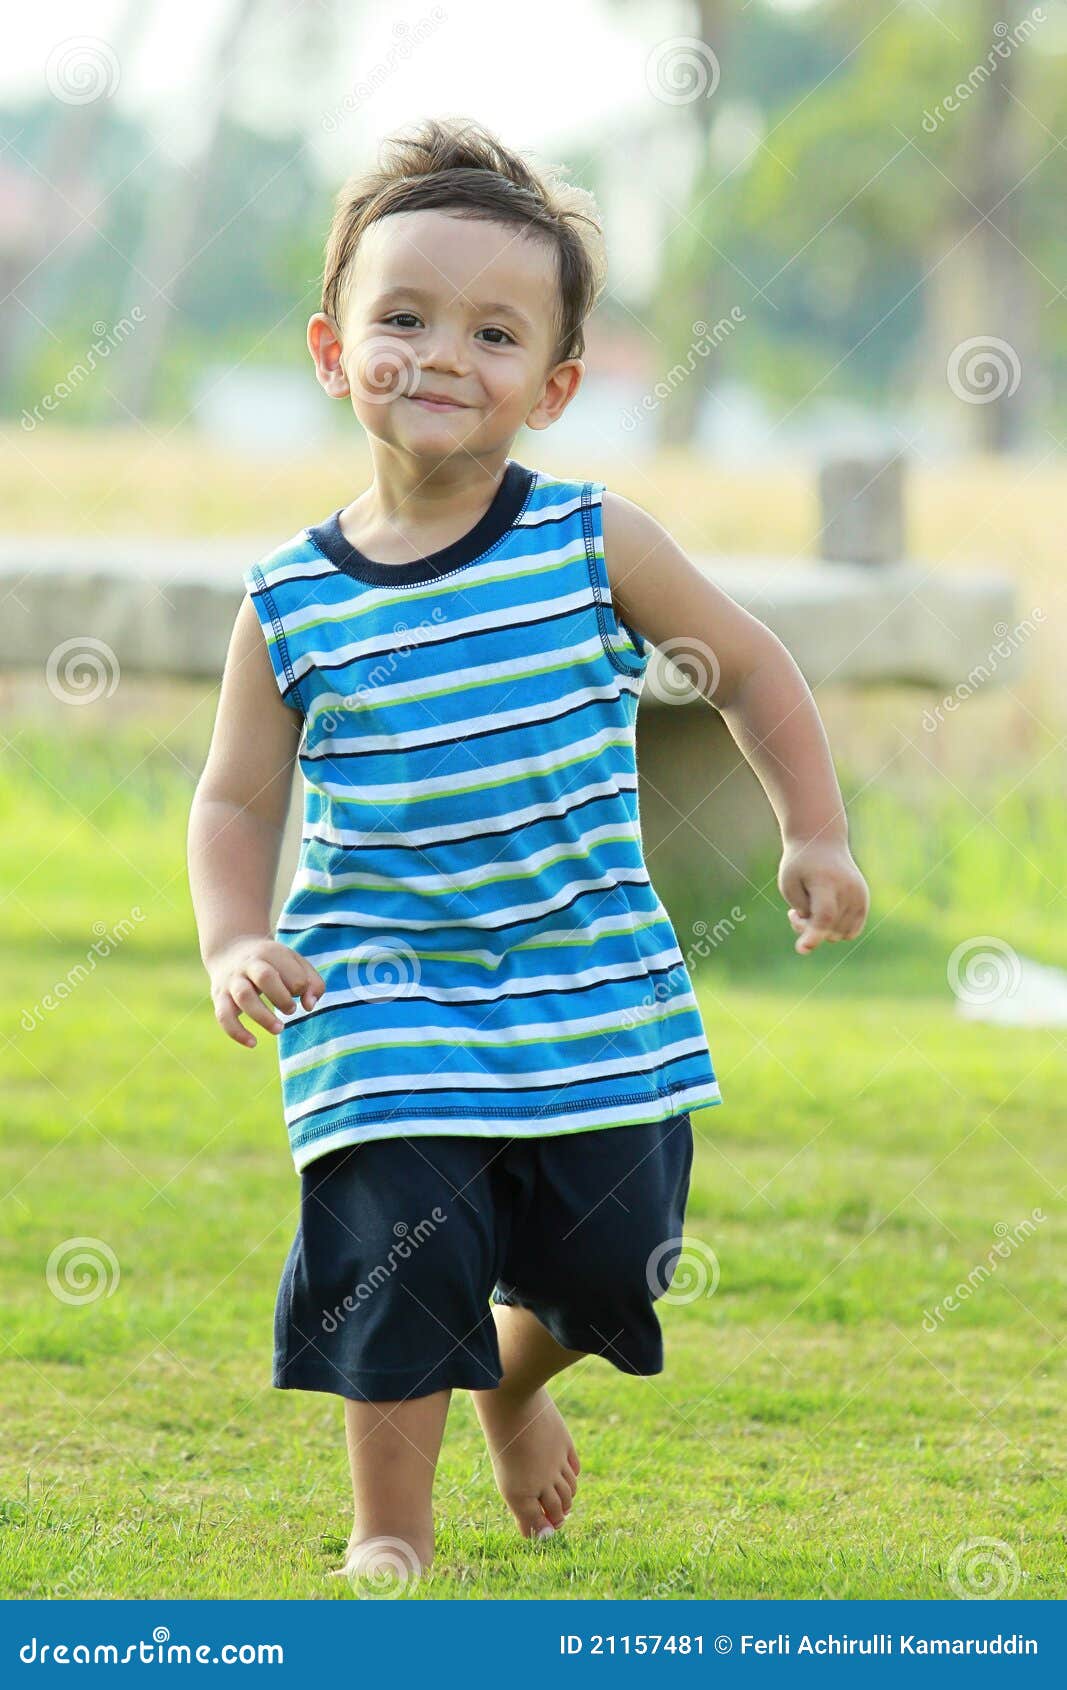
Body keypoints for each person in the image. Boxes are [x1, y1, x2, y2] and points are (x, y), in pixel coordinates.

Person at [187, 115, 869, 1586]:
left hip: (592, 989)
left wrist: (813, 829)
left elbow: (748, 668)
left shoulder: (587, 541)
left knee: (621, 1266)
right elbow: (237, 799)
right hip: (380, 1004)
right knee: (398, 1259)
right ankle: (392, 1534)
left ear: (555, 385)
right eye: (404, 317)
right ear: (332, 348)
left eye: (494, 332)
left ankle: (513, 1375)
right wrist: (235, 934)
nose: (442, 353)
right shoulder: (290, 600)